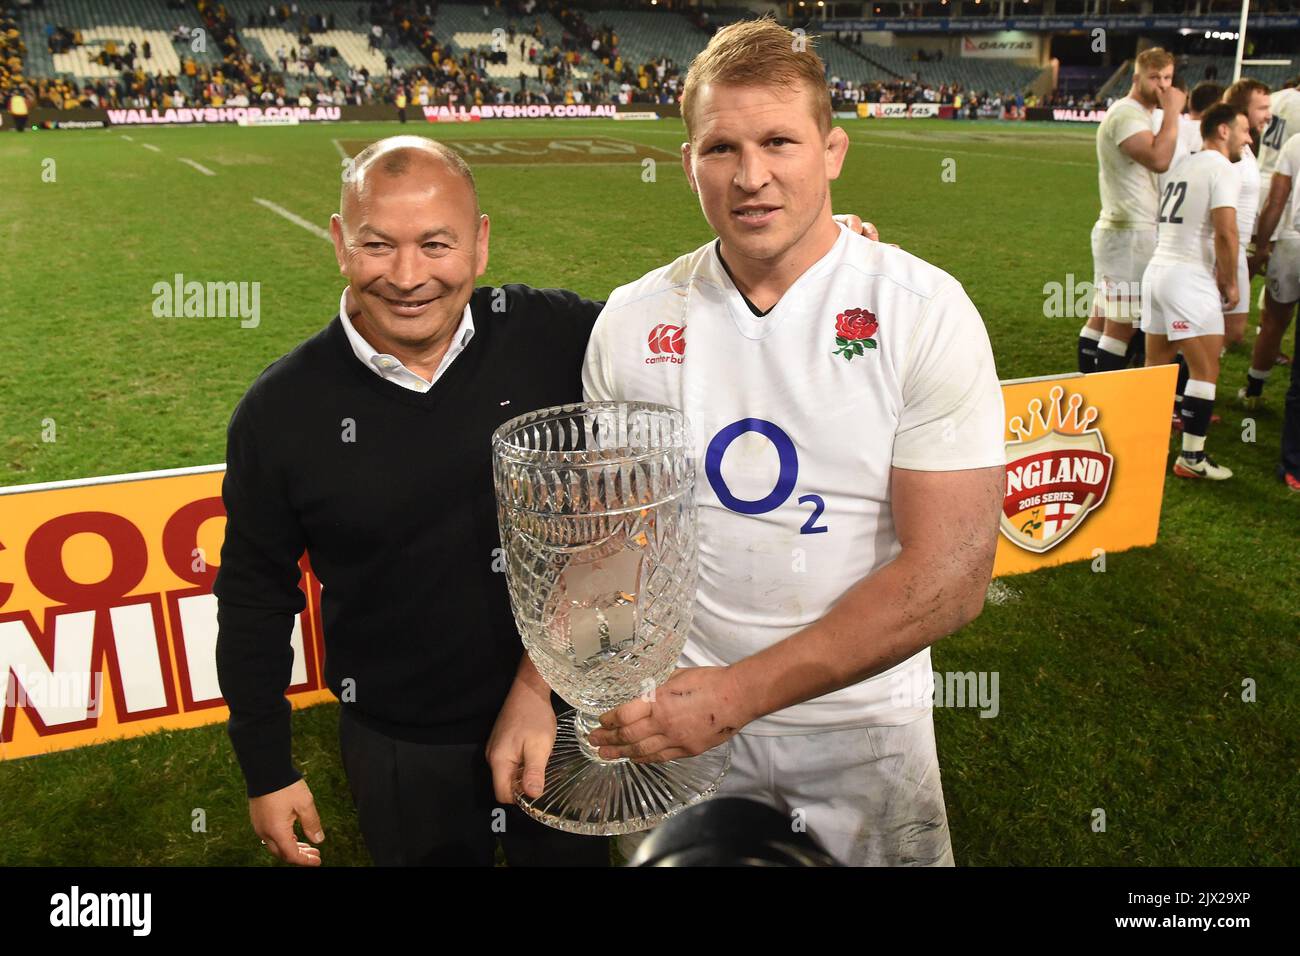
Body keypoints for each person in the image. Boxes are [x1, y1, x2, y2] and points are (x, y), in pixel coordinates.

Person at [216, 134, 882, 866]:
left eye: (436, 245)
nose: (408, 276)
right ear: (340, 242)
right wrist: (267, 768)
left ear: (480, 243)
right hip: (402, 739)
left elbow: (700, 329)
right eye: (379, 245)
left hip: (574, 720)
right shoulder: (280, 413)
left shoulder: (557, 332)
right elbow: (253, 594)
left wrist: (809, 261)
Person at [504, 18, 1006, 866]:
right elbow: (616, 539)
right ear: (688, 161)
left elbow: (949, 579)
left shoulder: (922, 313)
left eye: (779, 141)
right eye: (720, 148)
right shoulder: (633, 322)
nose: (752, 176)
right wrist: (536, 684)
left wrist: (737, 694)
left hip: (860, 728)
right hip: (672, 723)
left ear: (833, 151)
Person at [1140, 103, 1250, 481]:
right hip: (1188, 277)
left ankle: (1144, 446)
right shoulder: (1221, 168)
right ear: (1223, 130)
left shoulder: (1184, 164)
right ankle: (1192, 457)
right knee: (1205, 370)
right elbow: (1226, 230)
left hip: (1157, 272)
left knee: (1156, 368)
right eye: (1244, 131)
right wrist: (1230, 280)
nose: (1248, 140)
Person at [1078, 48, 1185, 374]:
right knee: (1122, 323)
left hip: (1125, 228)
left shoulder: (1136, 113)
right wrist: (1172, 114)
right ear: (1136, 78)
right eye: (1155, 78)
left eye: (1168, 78)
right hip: (1128, 232)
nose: (1163, 86)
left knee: (1103, 315)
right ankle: (1101, 402)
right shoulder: (1126, 114)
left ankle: (1086, 388)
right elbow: (1158, 159)